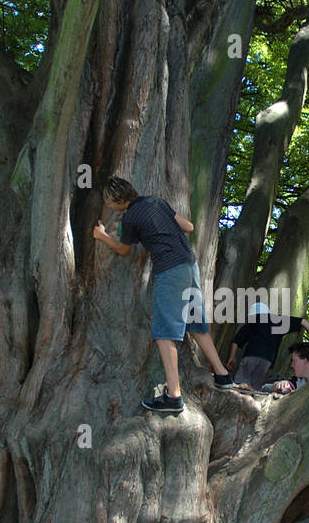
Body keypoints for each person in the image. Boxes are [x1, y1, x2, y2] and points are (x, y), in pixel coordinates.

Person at [92, 176, 234, 413]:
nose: (109, 207)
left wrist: (102, 235)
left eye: (109, 203)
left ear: (117, 200)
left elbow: (123, 249)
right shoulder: (156, 202)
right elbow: (188, 226)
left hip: (170, 271)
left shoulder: (130, 217)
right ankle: (222, 376)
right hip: (190, 266)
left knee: (164, 332)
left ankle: (173, 396)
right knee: (196, 325)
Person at [226, 302, 309, 389]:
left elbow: (236, 341)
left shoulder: (253, 322)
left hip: (251, 355)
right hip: (267, 360)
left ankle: (236, 393)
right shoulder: (278, 321)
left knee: (240, 381)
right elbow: (302, 321)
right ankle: (252, 397)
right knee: (255, 385)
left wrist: (232, 357)